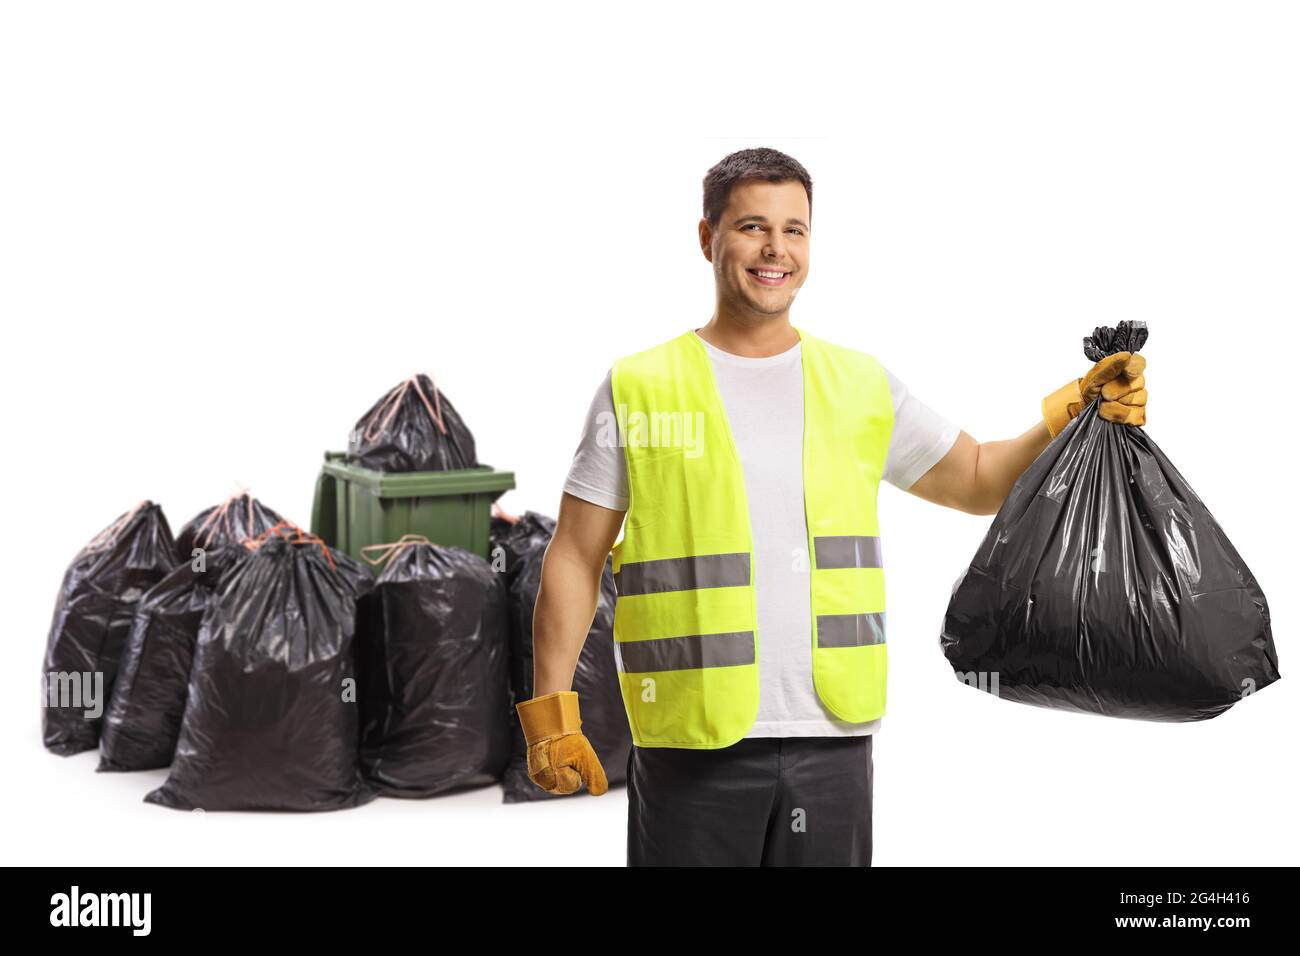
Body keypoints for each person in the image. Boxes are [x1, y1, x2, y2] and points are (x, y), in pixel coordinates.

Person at [513, 147, 1148, 867]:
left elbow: (975, 478)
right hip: (690, 742)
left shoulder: (858, 385)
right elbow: (574, 552)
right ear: (706, 238)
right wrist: (549, 711)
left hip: (834, 741)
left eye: (795, 229)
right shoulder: (641, 387)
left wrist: (1073, 411)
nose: (776, 249)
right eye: (753, 226)